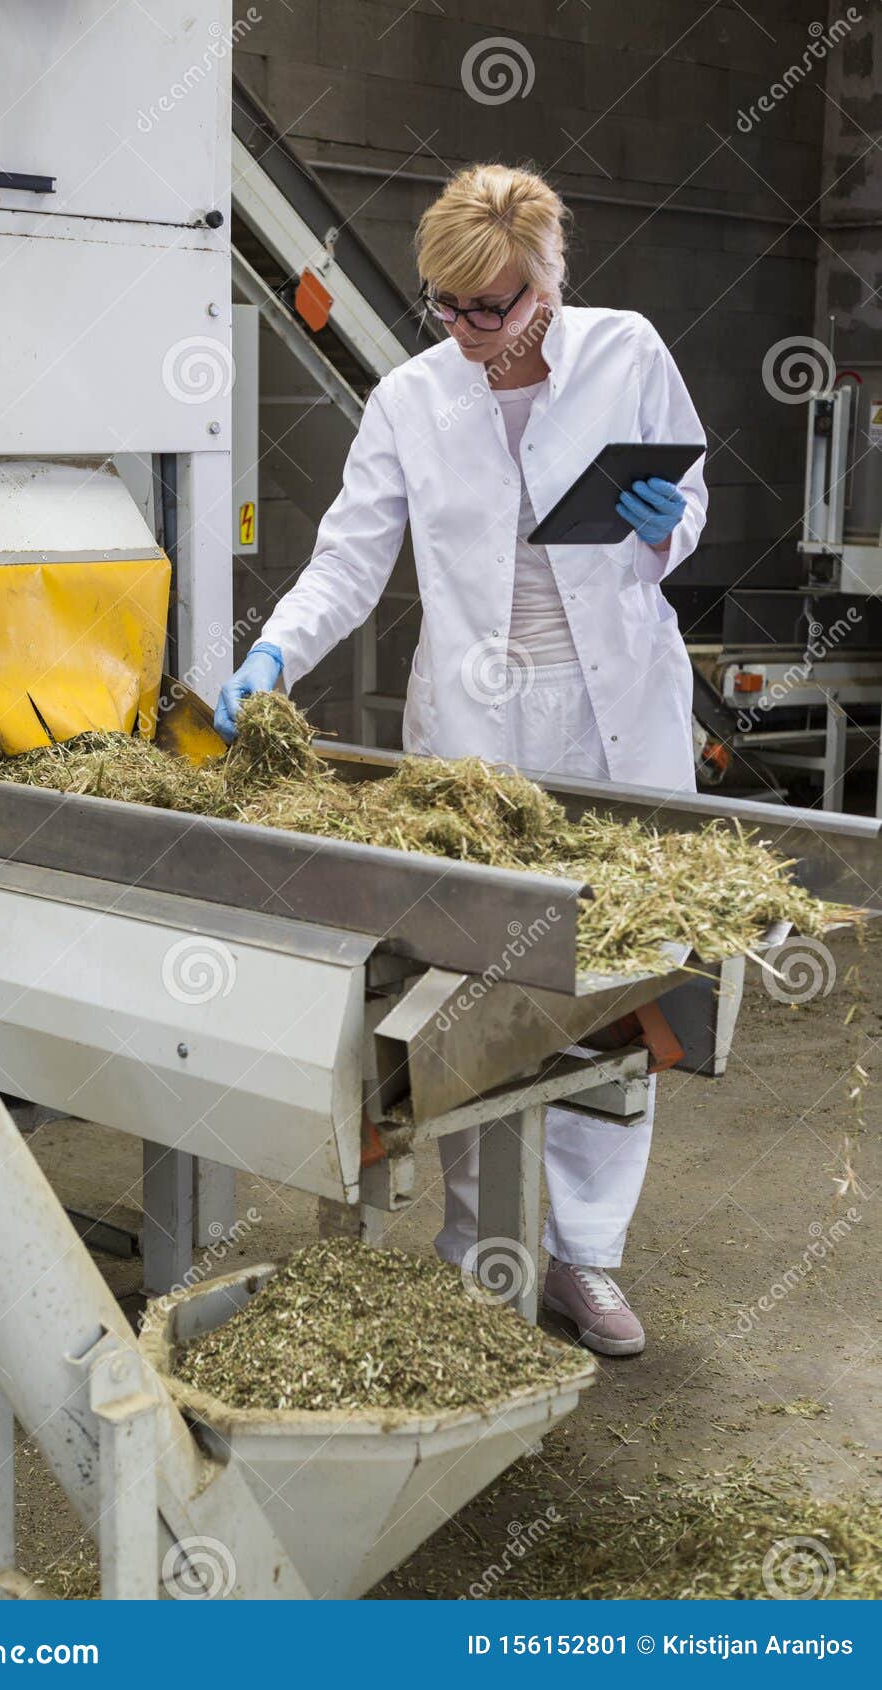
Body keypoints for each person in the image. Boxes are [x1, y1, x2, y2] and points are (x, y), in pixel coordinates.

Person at [215, 162, 707, 1358]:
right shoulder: (411, 398)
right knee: (483, 994)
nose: (469, 330)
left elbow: (689, 504)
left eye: (493, 305)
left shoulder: (627, 351)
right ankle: (481, 1248)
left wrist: (666, 528)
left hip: (613, 718)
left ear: (548, 282)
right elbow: (347, 561)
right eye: (446, 305)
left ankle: (584, 1257)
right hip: (479, 733)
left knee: (611, 987)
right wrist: (270, 653)